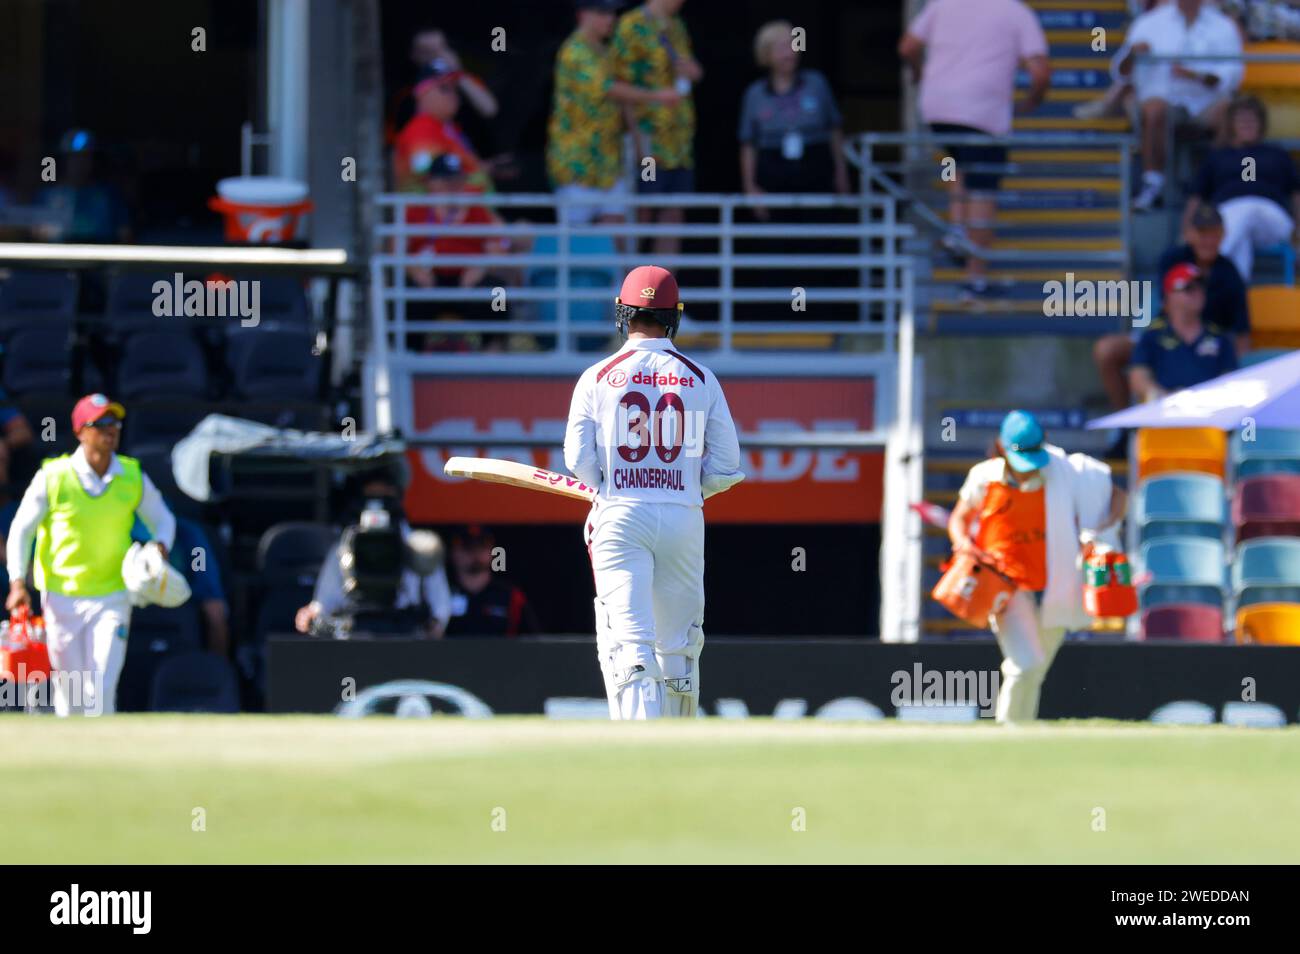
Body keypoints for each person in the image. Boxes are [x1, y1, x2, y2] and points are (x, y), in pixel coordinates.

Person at [564, 265, 743, 719]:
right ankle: (677, 746)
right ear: (674, 316)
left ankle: (639, 752)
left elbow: (577, 461)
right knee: (680, 647)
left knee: (631, 643)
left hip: (620, 513)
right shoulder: (701, 377)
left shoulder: (597, 376)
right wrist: (681, 486)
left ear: (623, 314)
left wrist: (609, 484)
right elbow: (726, 466)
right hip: (684, 516)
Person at [947, 411, 1127, 723]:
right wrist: (962, 542)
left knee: (1036, 669)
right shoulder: (983, 477)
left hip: (1057, 586)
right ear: (1002, 447)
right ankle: (1006, 737)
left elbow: (1118, 496)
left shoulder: (1069, 471)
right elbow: (959, 519)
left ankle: (1019, 736)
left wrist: (1103, 530)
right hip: (1006, 587)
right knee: (1025, 664)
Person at [4, 394, 175, 716]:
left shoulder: (131, 474)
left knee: (102, 684)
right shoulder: (53, 477)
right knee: (70, 695)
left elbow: (163, 519)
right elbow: (21, 530)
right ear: (81, 431)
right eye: (102, 424)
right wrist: (17, 582)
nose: (111, 430)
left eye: (115, 423)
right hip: (61, 596)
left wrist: (160, 546)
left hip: (113, 594)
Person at [899, 0, 1051, 297]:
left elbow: (907, 47)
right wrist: (1033, 101)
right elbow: (1041, 73)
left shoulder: (942, 5)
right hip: (983, 112)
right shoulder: (1016, 12)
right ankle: (975, 278)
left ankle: (957, 229)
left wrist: (919, 73)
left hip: (937, 107)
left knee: (958, 161)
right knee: (983, 189)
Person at [1093, 204, 1248, 417]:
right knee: (1115, 352)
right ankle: (1125, 426)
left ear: (1223, 235)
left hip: (1209, 348)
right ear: (1189, 234)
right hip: (1167, 337)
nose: (1208, 240)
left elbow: (1242, 331)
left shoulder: (1230, 274)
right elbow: (1170, 306)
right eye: (1203, 233)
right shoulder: (1173, 258)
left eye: (1214, 234)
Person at [548, 0, 680, 228]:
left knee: (615, 238)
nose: (610, 19)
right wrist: (658, 96)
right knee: (575, 243)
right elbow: (609, 88)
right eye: (602, 13)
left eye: (612, 13)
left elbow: (621, 99)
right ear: (582, 14)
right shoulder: (574, 51)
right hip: (577, 165)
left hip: (610, 162)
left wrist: (639, 144)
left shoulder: (605, 53)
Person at [1115, 0, 1244, 211]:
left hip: (1206, 103)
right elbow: (1121, 73)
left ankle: (1221, 181)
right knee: (1154, 108)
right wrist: (1132, 54)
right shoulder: (1149, 23)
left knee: (1229, 113)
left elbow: (1233, 75)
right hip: (1164, 101)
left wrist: (1195, 76)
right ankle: (1152, 185)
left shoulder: (1223, 25)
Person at [294, 472, 452, 638]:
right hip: (356, 634)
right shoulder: (343, 548)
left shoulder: (419, 547)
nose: (378, 502)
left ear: (397, 495)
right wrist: (311, 615)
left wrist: (432, 626)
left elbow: (440, 610)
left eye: (385, 495)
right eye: (371, 495)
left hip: (404, 634)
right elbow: (323, 605)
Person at [612, 0, 703, 256]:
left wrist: (695, 72)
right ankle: (629, 288)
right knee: (643, 212)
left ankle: (664, 291)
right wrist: (637, 140)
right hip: (648, 141)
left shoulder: (677, 26)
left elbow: (689, 71)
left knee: (673, 213)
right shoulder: (630, 26)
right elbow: (618, 87)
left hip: (679, 142)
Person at [1183, 95, 1300, 280]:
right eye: (1241, 119)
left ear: (1261, 123)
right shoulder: (1217, 156)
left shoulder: (1277, 153)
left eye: (1252, 119)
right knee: (1240, 244)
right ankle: (1230, 296)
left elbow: (1296, 195)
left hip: (1271, 221)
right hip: (1228, 217)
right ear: (1231, 124)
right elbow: (1196, 196)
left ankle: (1204, 265)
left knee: (1248, 208)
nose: (1247, 124)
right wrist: (1187, 231)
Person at [1129, 263, 1239, 403]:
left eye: (1200, 286)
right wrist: (1165, 398)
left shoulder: (1220, 338)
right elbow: (1138, 379)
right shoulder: (1151, 337)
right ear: (1168, 298)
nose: (1198, 292)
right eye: (1189, 288)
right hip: (1163, 417)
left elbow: (1230, 382)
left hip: (1208, 416)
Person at [131, 515, 229, 657]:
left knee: (215, 610)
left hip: (178, 611)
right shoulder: (111, 533)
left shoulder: (192, 539)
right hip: (126, 610)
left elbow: (203, 573)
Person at [34, 130, 131, 244]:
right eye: (74, 157)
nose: (80, 162)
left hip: (99, 257)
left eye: (85, 157)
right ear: (64, 160)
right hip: (57, 257)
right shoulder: (47, 195)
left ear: (94, 161)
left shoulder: (108, 196)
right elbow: (35, 232)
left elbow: (125, 234)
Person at [444, 526, 541, 637]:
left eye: (481, 546)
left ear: (493, 551)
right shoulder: (440, 595)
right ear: (452, 552)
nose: (475, 553)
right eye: (468, 547)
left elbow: (534, 643)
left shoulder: (511, 597)